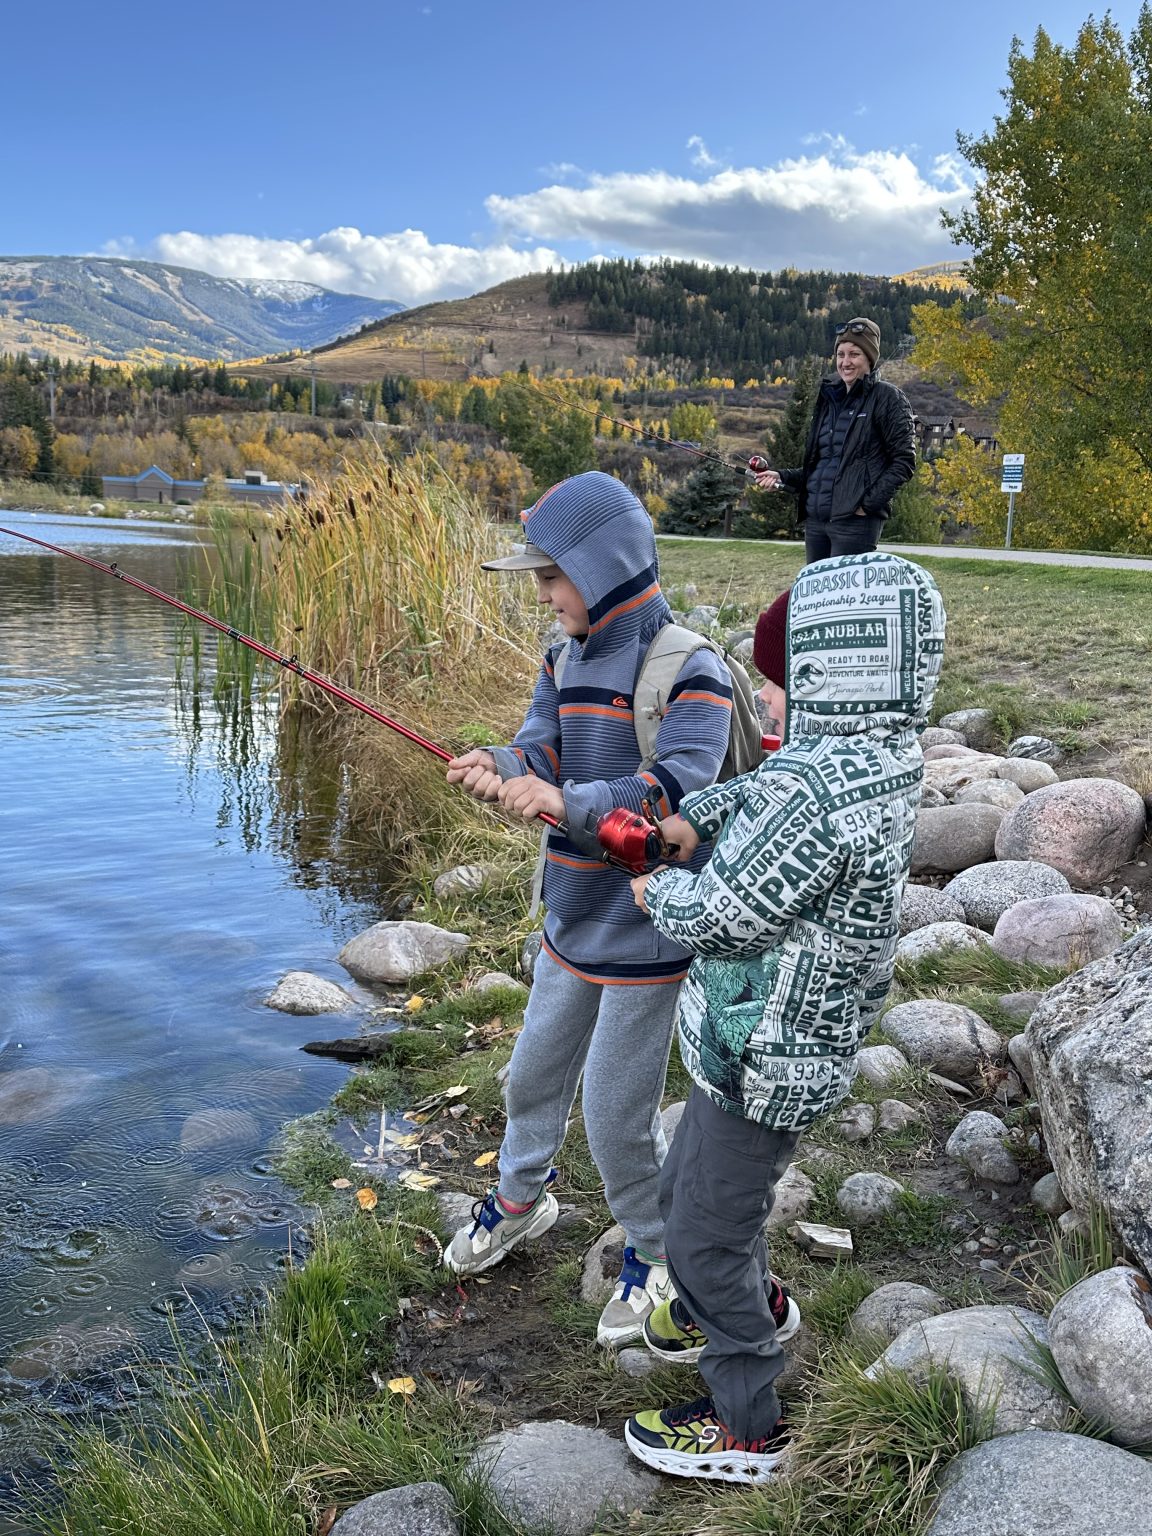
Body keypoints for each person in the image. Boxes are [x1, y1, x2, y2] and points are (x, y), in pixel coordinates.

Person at [622, 550, 945, 1483]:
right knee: (699, 1191)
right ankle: (747, 1301)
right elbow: (766, 790)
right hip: (774, 1045)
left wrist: (654, 888)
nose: (767, 701)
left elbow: (729, 914)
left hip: (768, 1050)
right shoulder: (864, 756)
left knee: (702, 1231)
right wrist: (700, 817)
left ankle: (745, 1423)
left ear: (834, 674)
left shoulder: (819, 793)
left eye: (778, 682)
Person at [442, 470, 735, 1347]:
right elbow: (540, 740)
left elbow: (668, 791)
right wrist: (498, 762)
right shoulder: (563, 656)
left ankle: (654, 1251)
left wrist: (558, 802)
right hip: (569, 921)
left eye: (549, 573)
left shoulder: (693, 669)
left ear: (605, 566)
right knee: (530, 1075)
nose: (541, 591)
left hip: (647, 937)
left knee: (615, 1115)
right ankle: (521, 1200)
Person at [755, 318, 916, 564]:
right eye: (840, 354)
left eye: (854, 354)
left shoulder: (887, 397)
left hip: (855, 524)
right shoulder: (829, 399)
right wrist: (783, 477)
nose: (845, 362)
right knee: (817, 600)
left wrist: (866, 506)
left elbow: (904, 462)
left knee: (844, 602)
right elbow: (825, 464)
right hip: (817, 521)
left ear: (869, 359)